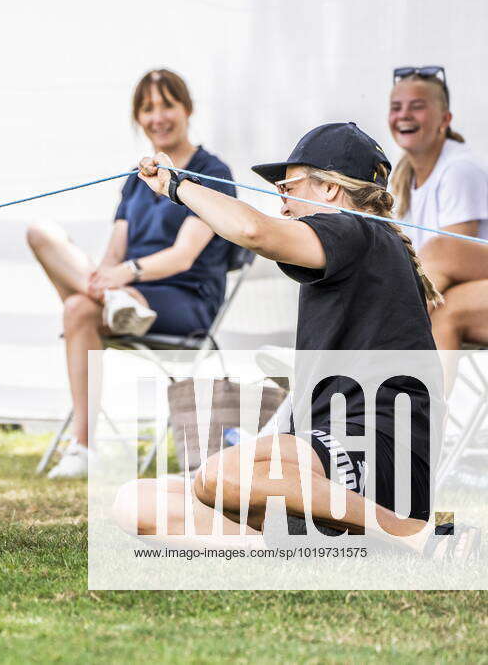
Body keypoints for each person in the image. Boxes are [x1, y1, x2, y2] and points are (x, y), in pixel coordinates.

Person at [113, 122, 479, 559]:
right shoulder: (359, 250)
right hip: (326, 458)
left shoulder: (357, 231)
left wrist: (177, 186)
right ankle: (284, 551)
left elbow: (253, 231)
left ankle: (415, 538)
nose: (281, 203)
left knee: (220, 475)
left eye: (287, 186)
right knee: (135, 501)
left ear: (328, 190)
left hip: (379, 462)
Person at [26, 69, 237, 479]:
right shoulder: (136, 178)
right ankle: (83, 448)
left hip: (184, 298)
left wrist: (125, 273)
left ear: (187, 109)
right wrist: (105, 279)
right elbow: (114, 251)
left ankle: (83, 444)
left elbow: (183, 256)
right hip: (127, 291)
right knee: (50, 252)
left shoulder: (214, 171)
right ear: (138, 118)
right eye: (147, 108)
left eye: (166, 105)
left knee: (78, 308)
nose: (157, 117)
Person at [388, 66, 488, 355]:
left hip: (468, 278)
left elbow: (453, 261)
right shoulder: (402, 176)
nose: (404, 115)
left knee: (440, 251)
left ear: (445, 119)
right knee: (443, 310)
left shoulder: (459, 171)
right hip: (453, 294)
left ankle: (380, 342)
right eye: (396, 107)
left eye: (417, 107)